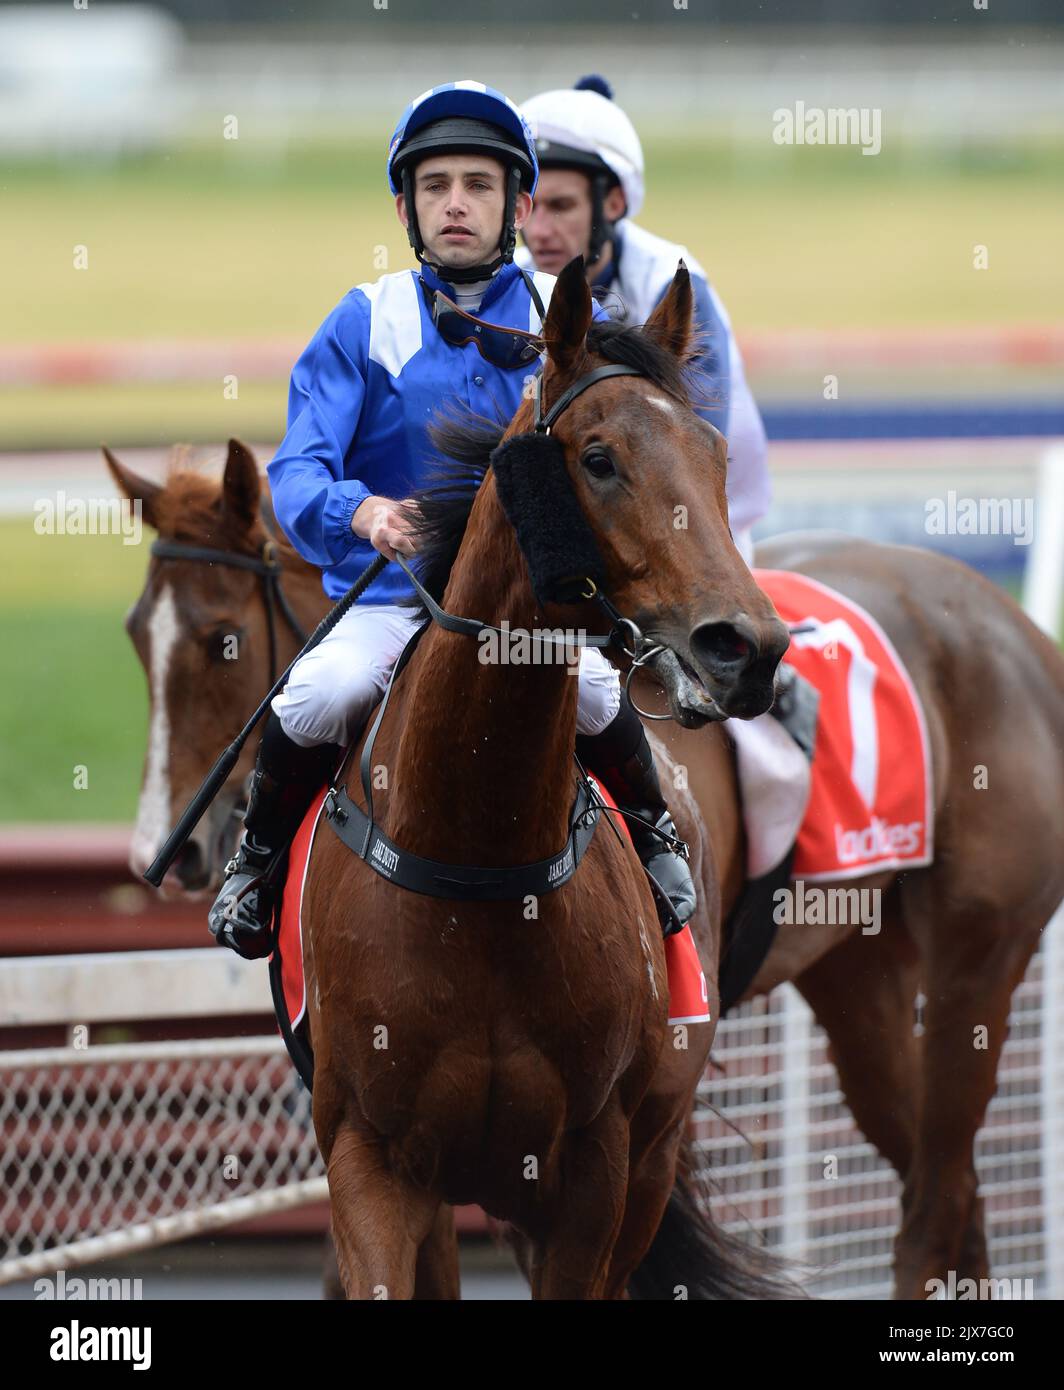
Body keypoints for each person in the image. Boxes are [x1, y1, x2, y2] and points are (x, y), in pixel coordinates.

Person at [208, 80, 697, 960]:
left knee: (592, 690)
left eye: (479, 184)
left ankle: (656, 841)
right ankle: (255, 863)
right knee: (322, 692)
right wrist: (361, 513)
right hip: (391, 604)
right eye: (435, 187)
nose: (457, 204)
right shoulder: (362, 320)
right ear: (405, 205)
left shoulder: (567, 315)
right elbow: (298, 468)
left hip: (529, 611)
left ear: (516, 201)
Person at [518, 75, 771, 563]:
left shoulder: (673, 282)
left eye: (562, 206)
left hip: (703, 540)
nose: (539, 231)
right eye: (530, 207)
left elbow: (690, 453)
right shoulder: (515, 283)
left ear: (613, 202)